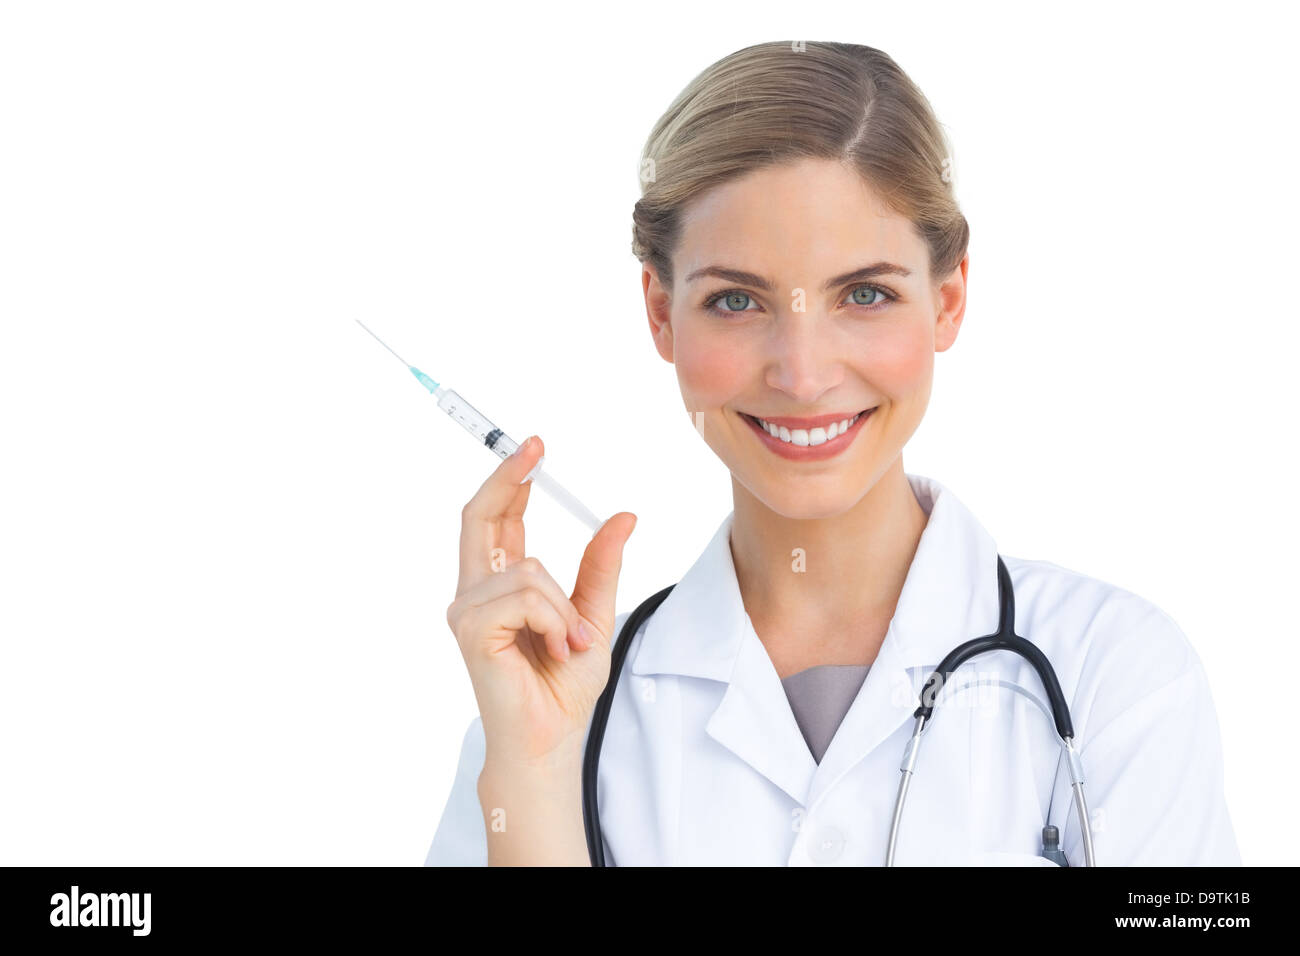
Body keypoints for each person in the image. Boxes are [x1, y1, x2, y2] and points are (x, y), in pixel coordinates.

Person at [425, 41, 1240, 866]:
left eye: (866, 294)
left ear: (948, 301)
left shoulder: (1117, 675)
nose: (804, 374)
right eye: (737, 300)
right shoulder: (554, 720)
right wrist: (533, 776)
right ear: (662, 315)